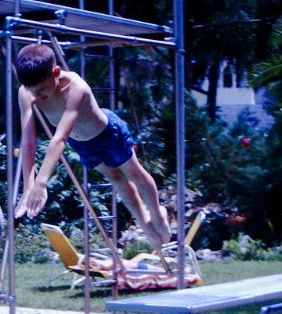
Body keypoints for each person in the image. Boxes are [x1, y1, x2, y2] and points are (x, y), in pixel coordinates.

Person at [14, 43, 171, 250]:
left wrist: (41, 184)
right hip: (83, 144)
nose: (37, 97)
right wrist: (28, 186)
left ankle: (158, 214)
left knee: (134, 175)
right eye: (31, 91)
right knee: (116, 179)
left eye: (42, 90)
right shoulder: (26, 93)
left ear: (57, 73)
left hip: (108, 134)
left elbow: (59, 138)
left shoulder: (75, 89)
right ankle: (146, 225)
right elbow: (29, 140)